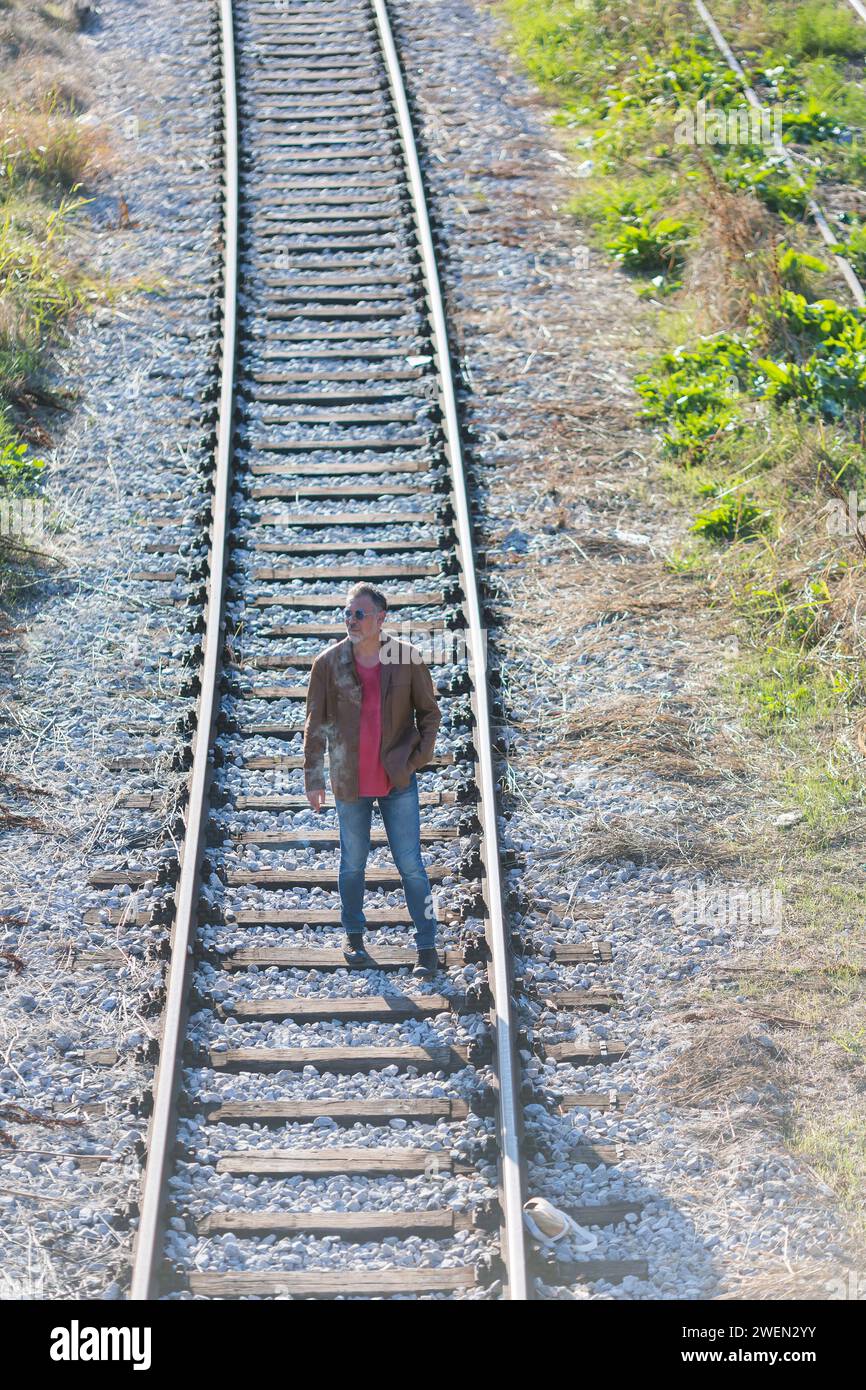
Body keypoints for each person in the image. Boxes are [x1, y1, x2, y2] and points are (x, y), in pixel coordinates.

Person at [303, 583, 442, 978]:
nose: (351, 620)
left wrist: (419, 758)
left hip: (396, 779)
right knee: (352, 864)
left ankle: (427, 944)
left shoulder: (406, 658)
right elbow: (315, 725)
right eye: (347, 614)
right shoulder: (328, 663)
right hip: (350, 782)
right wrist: (314, 778)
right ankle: (353, 935)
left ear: (381, 619)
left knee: (411, 864)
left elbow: (429, 714)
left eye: (359, 614)